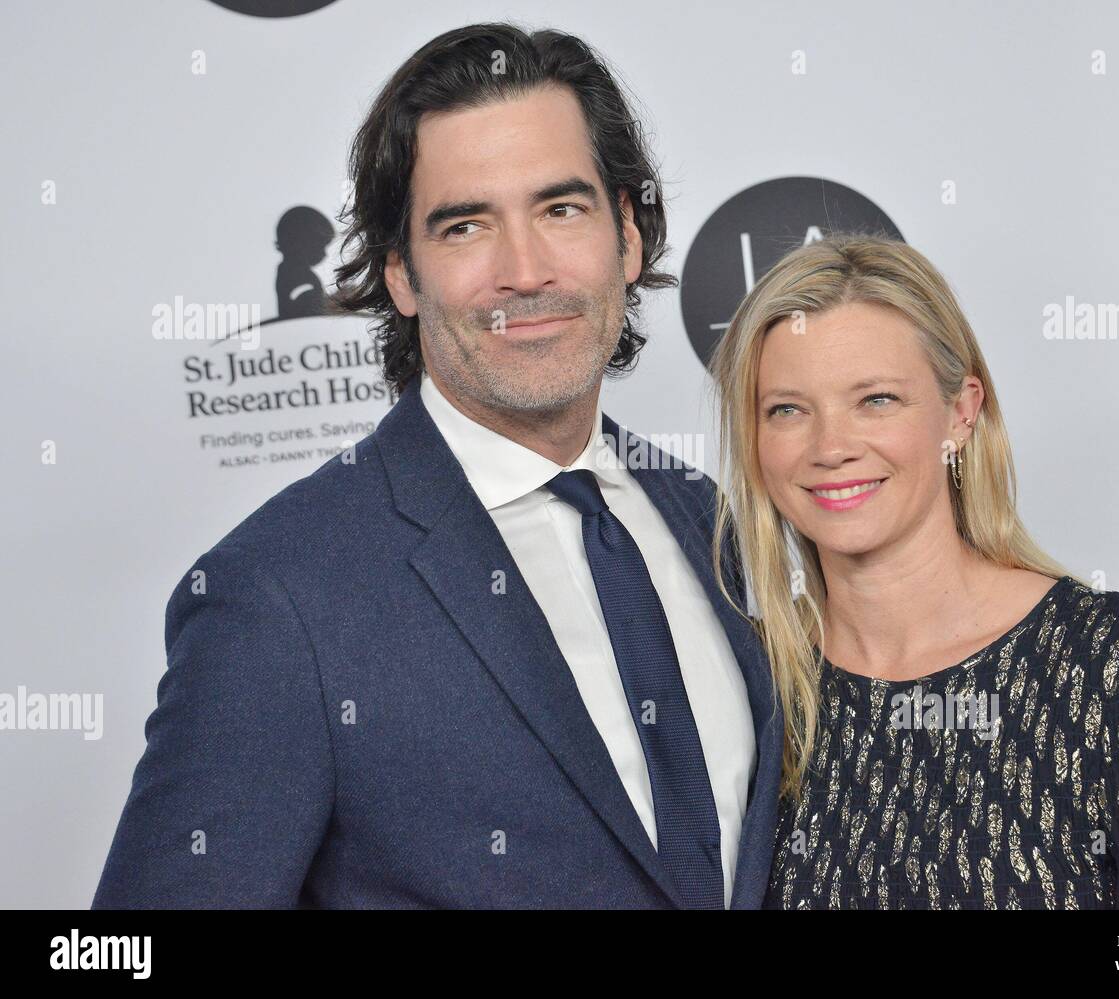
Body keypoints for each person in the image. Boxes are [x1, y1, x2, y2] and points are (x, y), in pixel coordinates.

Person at [92, 23, 782, 910]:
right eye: (465, 226)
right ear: (403, 277)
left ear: (629, 235)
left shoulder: (700, 512)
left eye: (561, 210)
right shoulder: (277, 596)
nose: (525, 271)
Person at [708, 232, 1119, 909]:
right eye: (787, 409)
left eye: (875, 399)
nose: (831, 446)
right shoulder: (741, 690)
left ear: (960, 414)